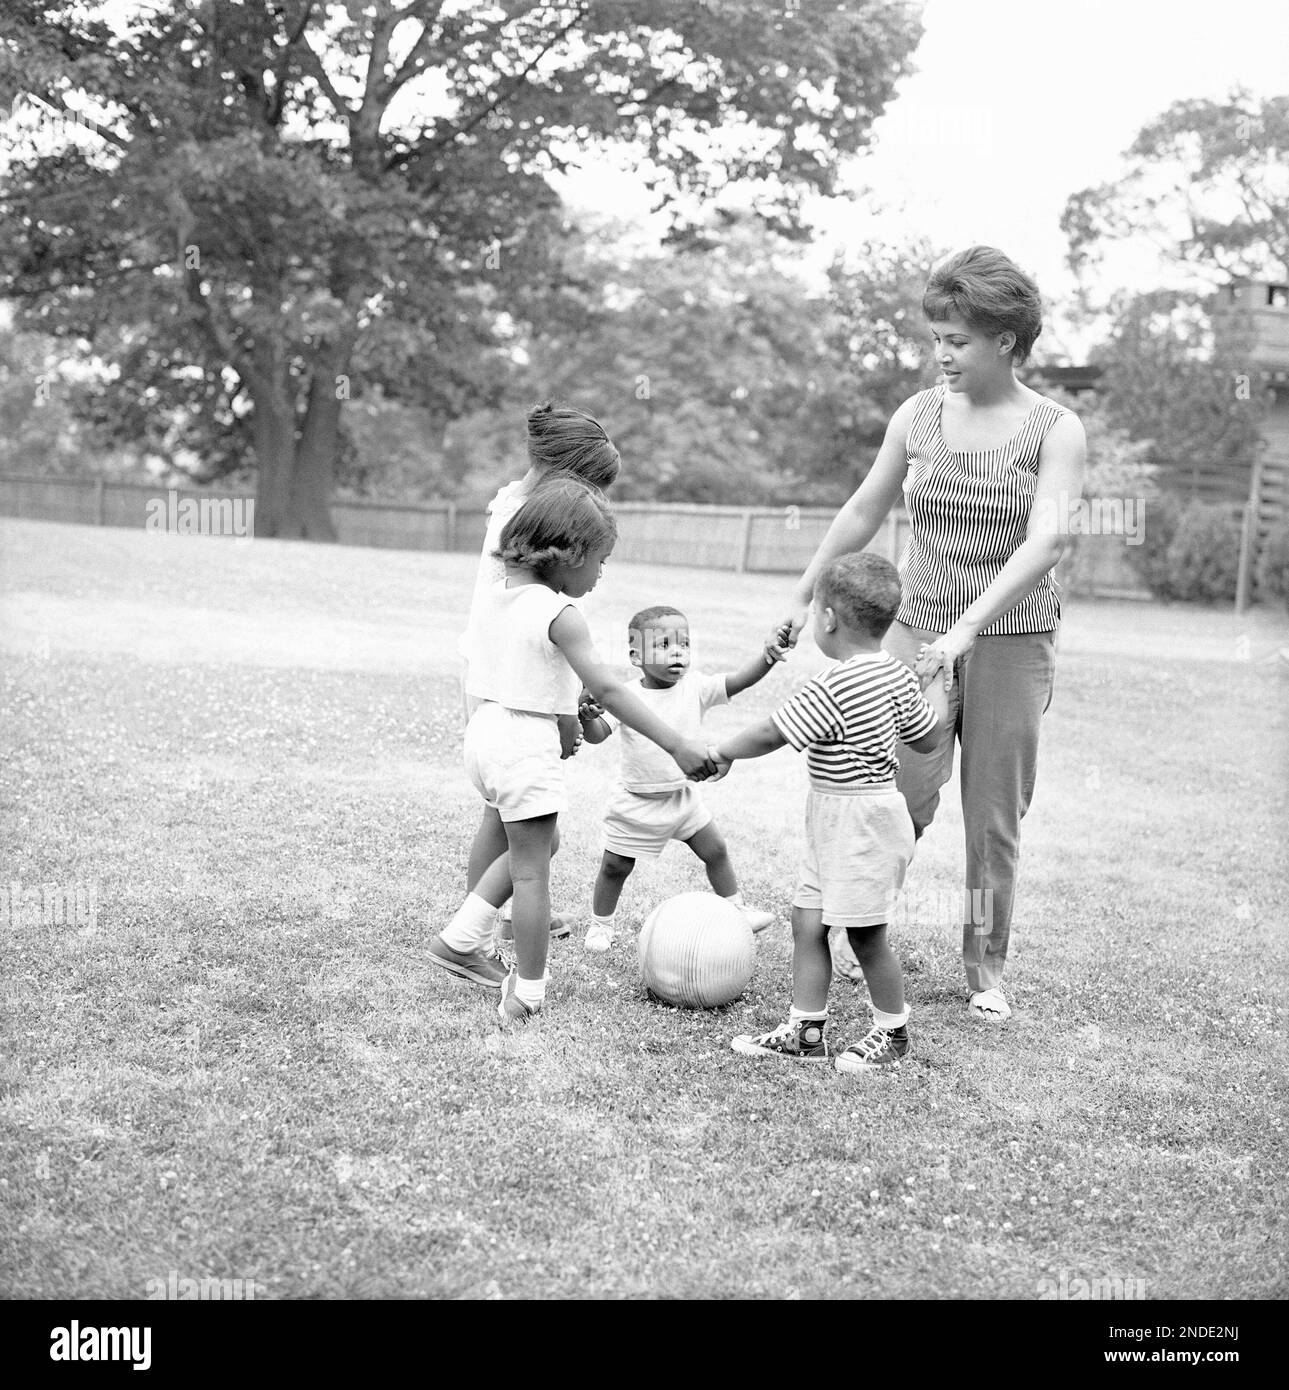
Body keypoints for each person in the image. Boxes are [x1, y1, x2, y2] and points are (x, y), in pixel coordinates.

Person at [771, 246, 1086, 1023]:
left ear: (1006, 340)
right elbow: (861, 511)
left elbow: (1045, 542)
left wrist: (968, 631)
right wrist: (802, 592)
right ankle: (859, 928)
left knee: (992, 812)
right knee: (892, 793)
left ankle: (984, 963)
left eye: (958, 340)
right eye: (936, 338)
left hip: (1011, 639)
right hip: (915, 631)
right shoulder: (916, 415)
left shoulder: (1055, 428)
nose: (940, 354)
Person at [431, 479, 717, 1029]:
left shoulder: (494, 595)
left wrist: (565, 719)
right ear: (570, 554)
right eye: (601, 562)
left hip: (486, 735)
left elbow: (529, 673)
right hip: (520, 743)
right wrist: (676, 742)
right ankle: (529, 992)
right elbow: (610, 691)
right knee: (533, 870)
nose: (602, 574)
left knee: (541, 841)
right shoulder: (561, 614)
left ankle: (461, 936)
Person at [711, 552, 947, 1070]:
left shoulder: (833, 685)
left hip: (862, 824)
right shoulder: (896, 675)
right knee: (808, 921)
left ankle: (894, 1032)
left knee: (865, 934)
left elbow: (774, 731)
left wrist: (723, 751)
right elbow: (930, 739)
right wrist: (935, 683)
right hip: (846, 817)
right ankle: (807, 1030)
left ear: (829, 618)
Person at [458, 401, 622, 958]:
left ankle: (488, 919)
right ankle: (483, 926)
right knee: (514, 824)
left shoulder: (514, 502)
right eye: (591, 488)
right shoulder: (527, 522)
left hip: (499, 674)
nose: (592, 504)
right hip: (506, 684)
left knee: (515, 823)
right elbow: (534, 627)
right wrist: (560, 711)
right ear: (564, 474)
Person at [575, 605, 786, 952]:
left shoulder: (697, 687)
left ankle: (736, 909)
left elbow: (738, 680)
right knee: (615, 867)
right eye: (663, 644)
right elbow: (597, 735)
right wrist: (586, 719)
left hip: (682, 799)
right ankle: (601, 926)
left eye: (684, 644)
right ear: (636, 655)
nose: (677, 652)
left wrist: (768, 657)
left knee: (715, 850)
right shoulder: (627, 697)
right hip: (635, 802)